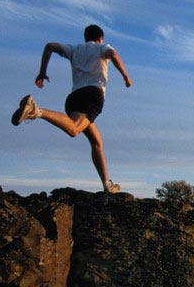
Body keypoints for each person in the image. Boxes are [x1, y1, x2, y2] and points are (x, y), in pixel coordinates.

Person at [11, 24, 132, 193]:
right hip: (92, 95)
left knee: (96, 142)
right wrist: (125, 77)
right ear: (100, 38)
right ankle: (36, 110)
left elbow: (49, 46)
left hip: (74, 98)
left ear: (85, 37)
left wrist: (42, 72)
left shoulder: (75, 49)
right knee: (74, 129)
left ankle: (107, 185)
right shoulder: (102, 47)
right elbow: (113, 54)